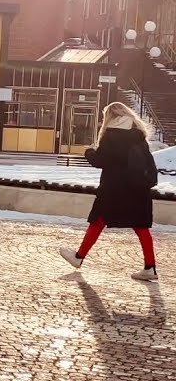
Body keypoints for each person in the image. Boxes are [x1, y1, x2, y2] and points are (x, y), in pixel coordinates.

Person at [61, 102, 160, 281]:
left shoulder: (112, 134)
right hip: (137, 189)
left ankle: (79, 257)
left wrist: (89, 152)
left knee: (98, 220)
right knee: (141, 226)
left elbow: (101, 161)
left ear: (110, 116)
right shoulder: (138, 134)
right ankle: (150, 266)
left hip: (113, 189)